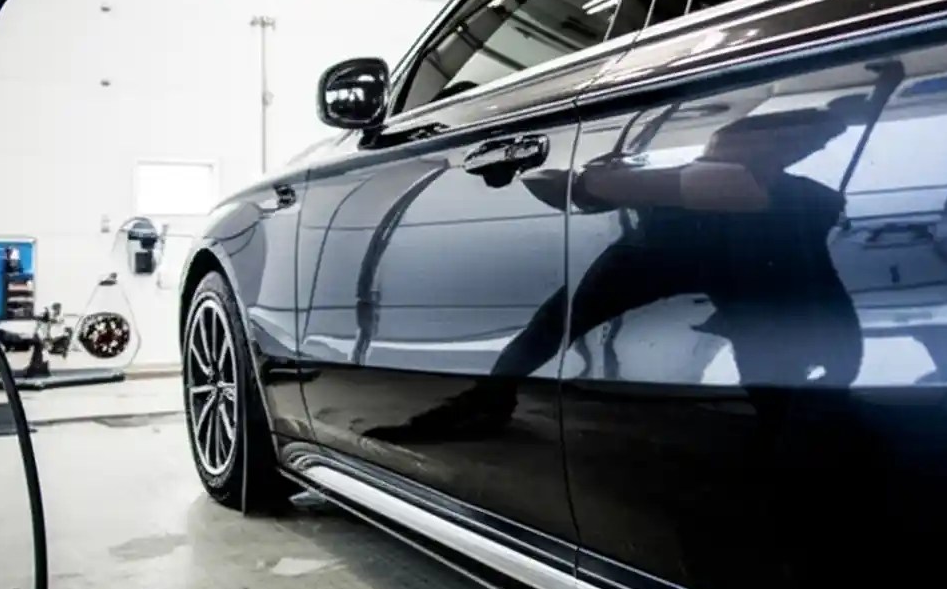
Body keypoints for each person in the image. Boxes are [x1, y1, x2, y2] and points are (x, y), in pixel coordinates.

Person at [367, 96, 866, 442]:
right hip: (672, 239)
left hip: (731, 244)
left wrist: (601, 184)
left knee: (767, 346)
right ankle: (490, 397)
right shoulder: (764, 178)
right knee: (564, 316)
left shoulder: (800, 197)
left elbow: (735, 186)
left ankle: (791, 422)